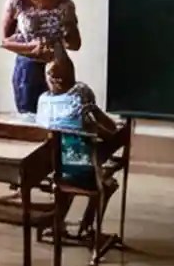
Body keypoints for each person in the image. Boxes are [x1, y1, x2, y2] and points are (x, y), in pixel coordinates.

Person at [35, 52, 118, 240]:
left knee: (64, 172)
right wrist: (95, 112)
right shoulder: (81, 97)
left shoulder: (43, 101)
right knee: (106, 182)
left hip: (49, 171)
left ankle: (58, 224)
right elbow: (110, 131)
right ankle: (87, 228)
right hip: (81, 173)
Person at [1, 0, 81, 114]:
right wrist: (32, 48)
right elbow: (5, 41)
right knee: (31, 122)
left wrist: (67, 32)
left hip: (58, 68)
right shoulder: (19, 0)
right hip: (27, 71)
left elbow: (75, 44)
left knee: (59, 122)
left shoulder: (64, 3)